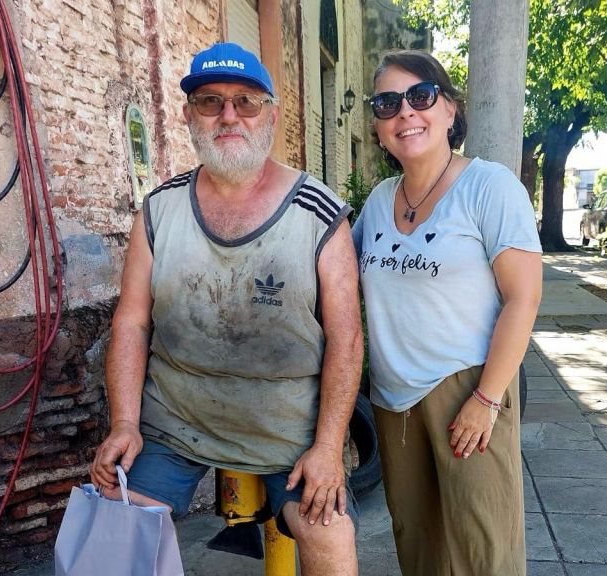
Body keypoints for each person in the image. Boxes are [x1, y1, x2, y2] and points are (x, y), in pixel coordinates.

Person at [91, 42, 363, 575]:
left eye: (246, 101)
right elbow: (131, 321)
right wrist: (124, 422)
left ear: (272, 115)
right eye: (211, 102)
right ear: (189, 114)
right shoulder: (160, 209)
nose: (229, 115)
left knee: (331, 537)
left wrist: (329, 446)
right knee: (117, 536)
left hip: (287, 431)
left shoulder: (318, 211)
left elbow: (347, 338)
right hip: (177, 423)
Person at [352, 49, 542, 575]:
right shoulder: (377, 201)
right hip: (393, 405)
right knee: (419, 547)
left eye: (420, 96)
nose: (405, 113)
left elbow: (523, 298)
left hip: (468, 393)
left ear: (450, 109)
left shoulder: (489, 186)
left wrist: (487, 399)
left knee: (485, 551)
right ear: (378, 124)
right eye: (388, 103)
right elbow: (337, 278)